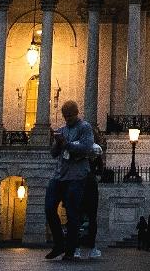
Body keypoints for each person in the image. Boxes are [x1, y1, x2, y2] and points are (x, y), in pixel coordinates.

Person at [45, 100, 96, 261]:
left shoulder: (85, 128)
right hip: (59, 175)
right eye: (65, 116)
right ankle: (59, 243)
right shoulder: (62, 130)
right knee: (49, 208)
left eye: (70, 116)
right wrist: (57, 143)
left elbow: (87, 147)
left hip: (77, 176)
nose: (67, 119)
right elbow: (53, 154)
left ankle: (70, 250)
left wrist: (66, 144)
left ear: (76, 113)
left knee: (73, 213)